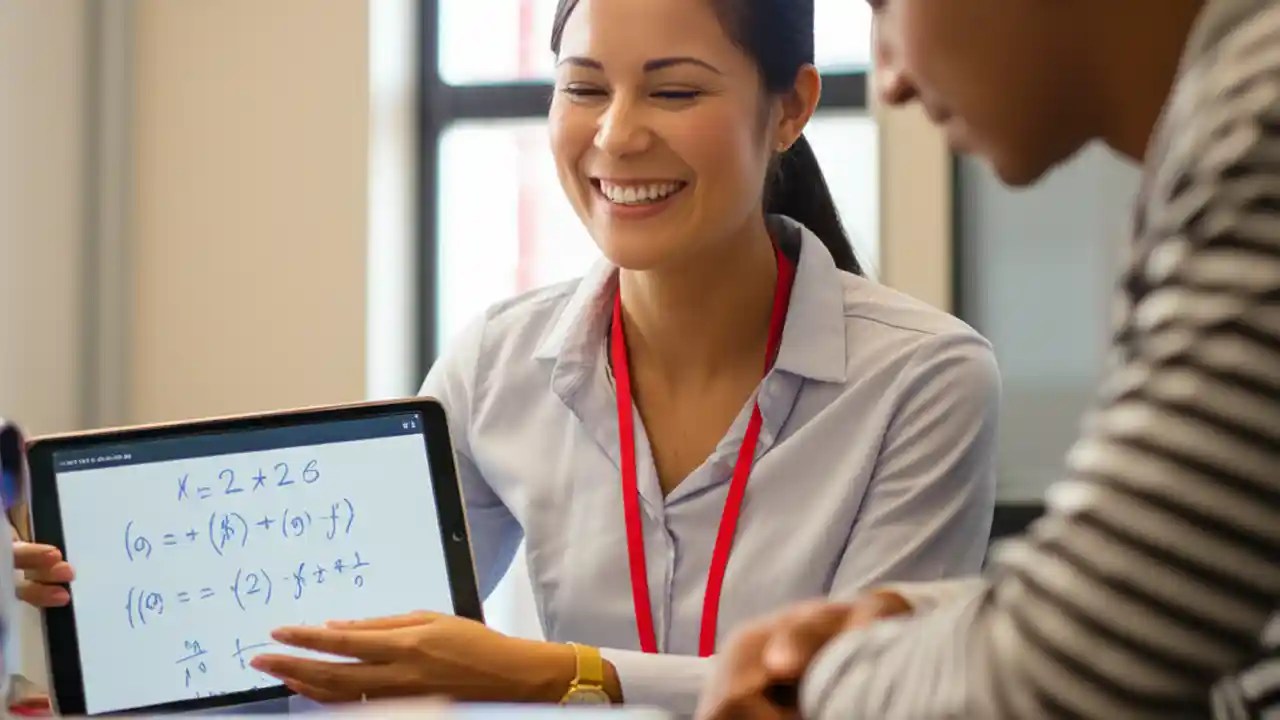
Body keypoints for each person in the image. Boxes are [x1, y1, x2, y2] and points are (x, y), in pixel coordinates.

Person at [14, 0, 1000, 716]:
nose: (616, 134)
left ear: (788, 108)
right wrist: (122, 612)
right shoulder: (501, 358)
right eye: (581, 88)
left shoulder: (922, 378)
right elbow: (357, 641)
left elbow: (878, 695)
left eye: (672, 89)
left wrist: (551, 670)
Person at [695, 0, 1280, 718]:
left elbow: (1076, 667)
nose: (891, 81)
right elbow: (1173, 604)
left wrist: (808, 684)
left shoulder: (1260, 120)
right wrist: (932, 629)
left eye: (884, 6)